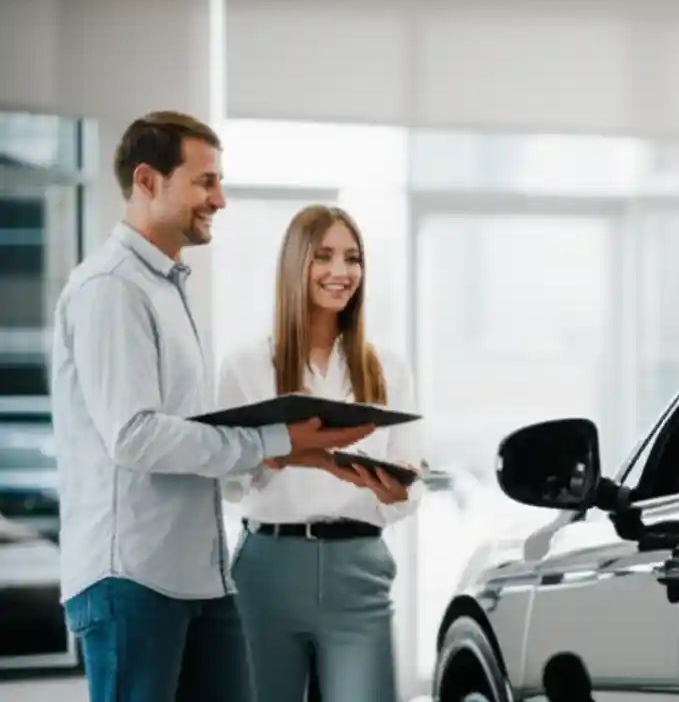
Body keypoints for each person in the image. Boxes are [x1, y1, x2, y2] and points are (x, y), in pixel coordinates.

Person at [50, 111, 374, 702]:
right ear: (148, 180)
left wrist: (283, 454)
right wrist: (274, 441)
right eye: (205, 181)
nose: (219, 199)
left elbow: (190, 433)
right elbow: (136, 437)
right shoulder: (111, 288)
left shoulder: (167, 287)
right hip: (131, 577)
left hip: (199, 576)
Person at [217, 204, 427, 702]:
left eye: (352, 258)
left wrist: (395, 489)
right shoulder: (246, 366)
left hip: (357, 564)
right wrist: (274, 452)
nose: (342, 272)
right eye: (325, 256)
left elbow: (409, 483)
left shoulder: (387, 368)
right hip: (268, 567)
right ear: (296, 265)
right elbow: (225, 479)